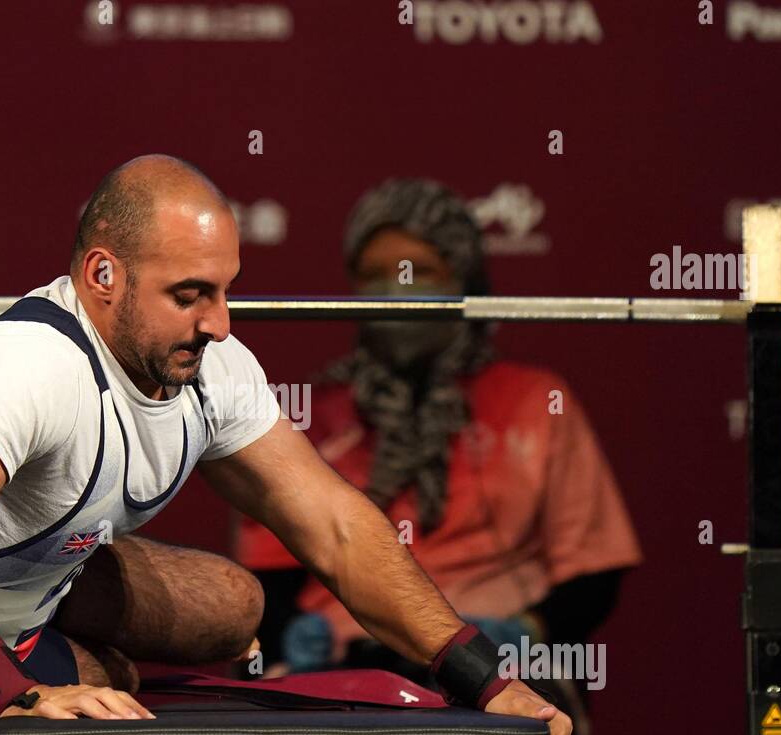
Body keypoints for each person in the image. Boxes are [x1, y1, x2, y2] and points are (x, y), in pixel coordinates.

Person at [0, 157, 571, 735]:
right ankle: (66, 659)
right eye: (191, 294)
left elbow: (335, 527)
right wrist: (11, 696)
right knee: (112, 689)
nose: (220, 324)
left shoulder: (210, 362)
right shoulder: (27, 364)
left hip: (21, 595)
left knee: (234, 607)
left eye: (226, 290)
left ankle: (63, 637)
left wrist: (484, 678)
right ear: (103, 276)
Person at [235, 178, 641, 695]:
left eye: (419, 272)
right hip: (344, 668)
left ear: (465, 279)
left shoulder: (537, 401)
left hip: (496, 665)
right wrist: (294, 644)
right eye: (372, 275)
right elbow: (268, 581)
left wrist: (524, 636)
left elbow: (592, 579)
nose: (393, 292)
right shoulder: (307, 415)